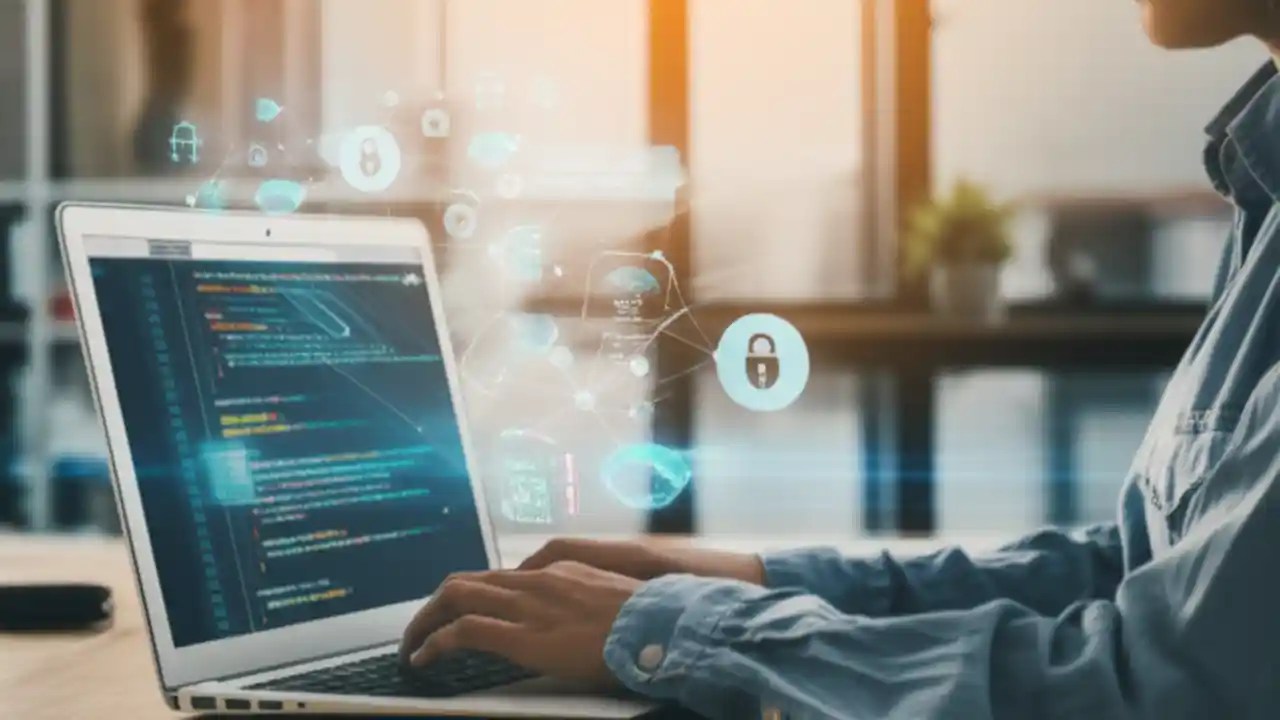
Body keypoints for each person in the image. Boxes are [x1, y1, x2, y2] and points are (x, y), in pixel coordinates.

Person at [401, 1, 1280, 717]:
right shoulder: (1263, 200)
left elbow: (1149, 689)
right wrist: (752, 579)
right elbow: (1132, 573)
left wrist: (675, 627)